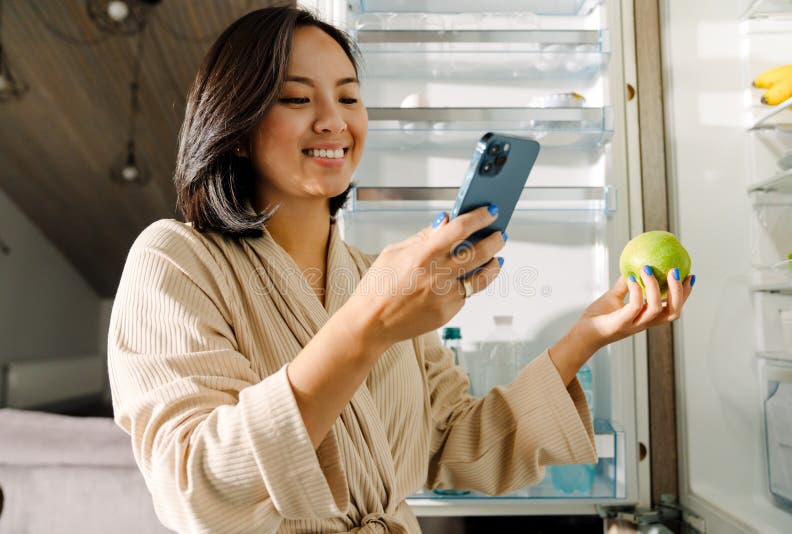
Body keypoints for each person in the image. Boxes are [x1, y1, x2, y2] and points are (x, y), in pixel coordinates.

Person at [107, 6, 694, 534]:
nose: (334, 121)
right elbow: (195, 489)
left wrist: (585, 337)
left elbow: (457, 448)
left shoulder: (374, 276)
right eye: (296, 98)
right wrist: (367, 326)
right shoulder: (175, 260)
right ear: (235, 127)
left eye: (349, 96)